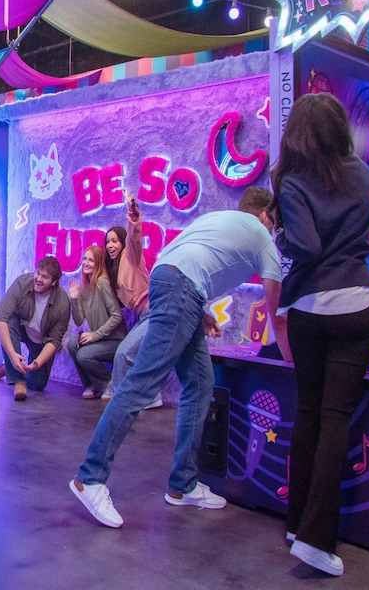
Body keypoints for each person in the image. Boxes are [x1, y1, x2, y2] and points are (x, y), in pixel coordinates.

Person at [70, 187, 292, 528]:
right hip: (182, 291)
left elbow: (179, 265)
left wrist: (197, 311)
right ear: (265, 216)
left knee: (201, 384)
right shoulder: (262, 237)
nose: (273, 229)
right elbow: (279, 315)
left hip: (172, 284)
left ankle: (183, 484)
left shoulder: (217, 220)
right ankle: (90, 477)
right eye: (274, 221)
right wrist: (292, 365)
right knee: (142, 383)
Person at [270, 93, 369, 577]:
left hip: (310, 310)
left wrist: (282, 236)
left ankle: (300, 528)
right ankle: (316, 537)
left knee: (309, 415)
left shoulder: (293, 182)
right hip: (356, 305)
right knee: (335, 419)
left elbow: (307, 247)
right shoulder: (363, 174)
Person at [105, 193, 162, 409]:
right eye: (107, 242)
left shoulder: (131, 256)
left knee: (123, 354)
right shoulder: (114, 269)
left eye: (114, 240)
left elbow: (134, 238)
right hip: (144, 317)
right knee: (137, 358)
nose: (110, 245)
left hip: (155, 313)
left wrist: (133, 215)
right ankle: (151, 397)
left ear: (122, 242)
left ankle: (120, 404)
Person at [0, 256, 70, 401]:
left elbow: (54, 341)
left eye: (45, 277)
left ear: (54, 282)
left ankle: (9, 368)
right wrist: (12, 355)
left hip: (41, 340)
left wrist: (38, 362)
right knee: (9, 320)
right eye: (38, 273)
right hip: (21, 328)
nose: (39, 279)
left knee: (38, 384)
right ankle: (18, 380)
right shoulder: (22, 283)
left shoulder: (63, 303)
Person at [68, 245, 127, 399]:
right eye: (84, 259)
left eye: (91, 260)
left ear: (99, 263)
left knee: (83, 355)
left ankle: (109, 384)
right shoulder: (84, 288)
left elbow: (117, 316)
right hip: (101, 339)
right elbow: (79, 321)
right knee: (72, 344)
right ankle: (91, 385)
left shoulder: (102, 282)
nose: (86, 263)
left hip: (116, 341)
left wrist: (95, 335)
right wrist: (74, 299)